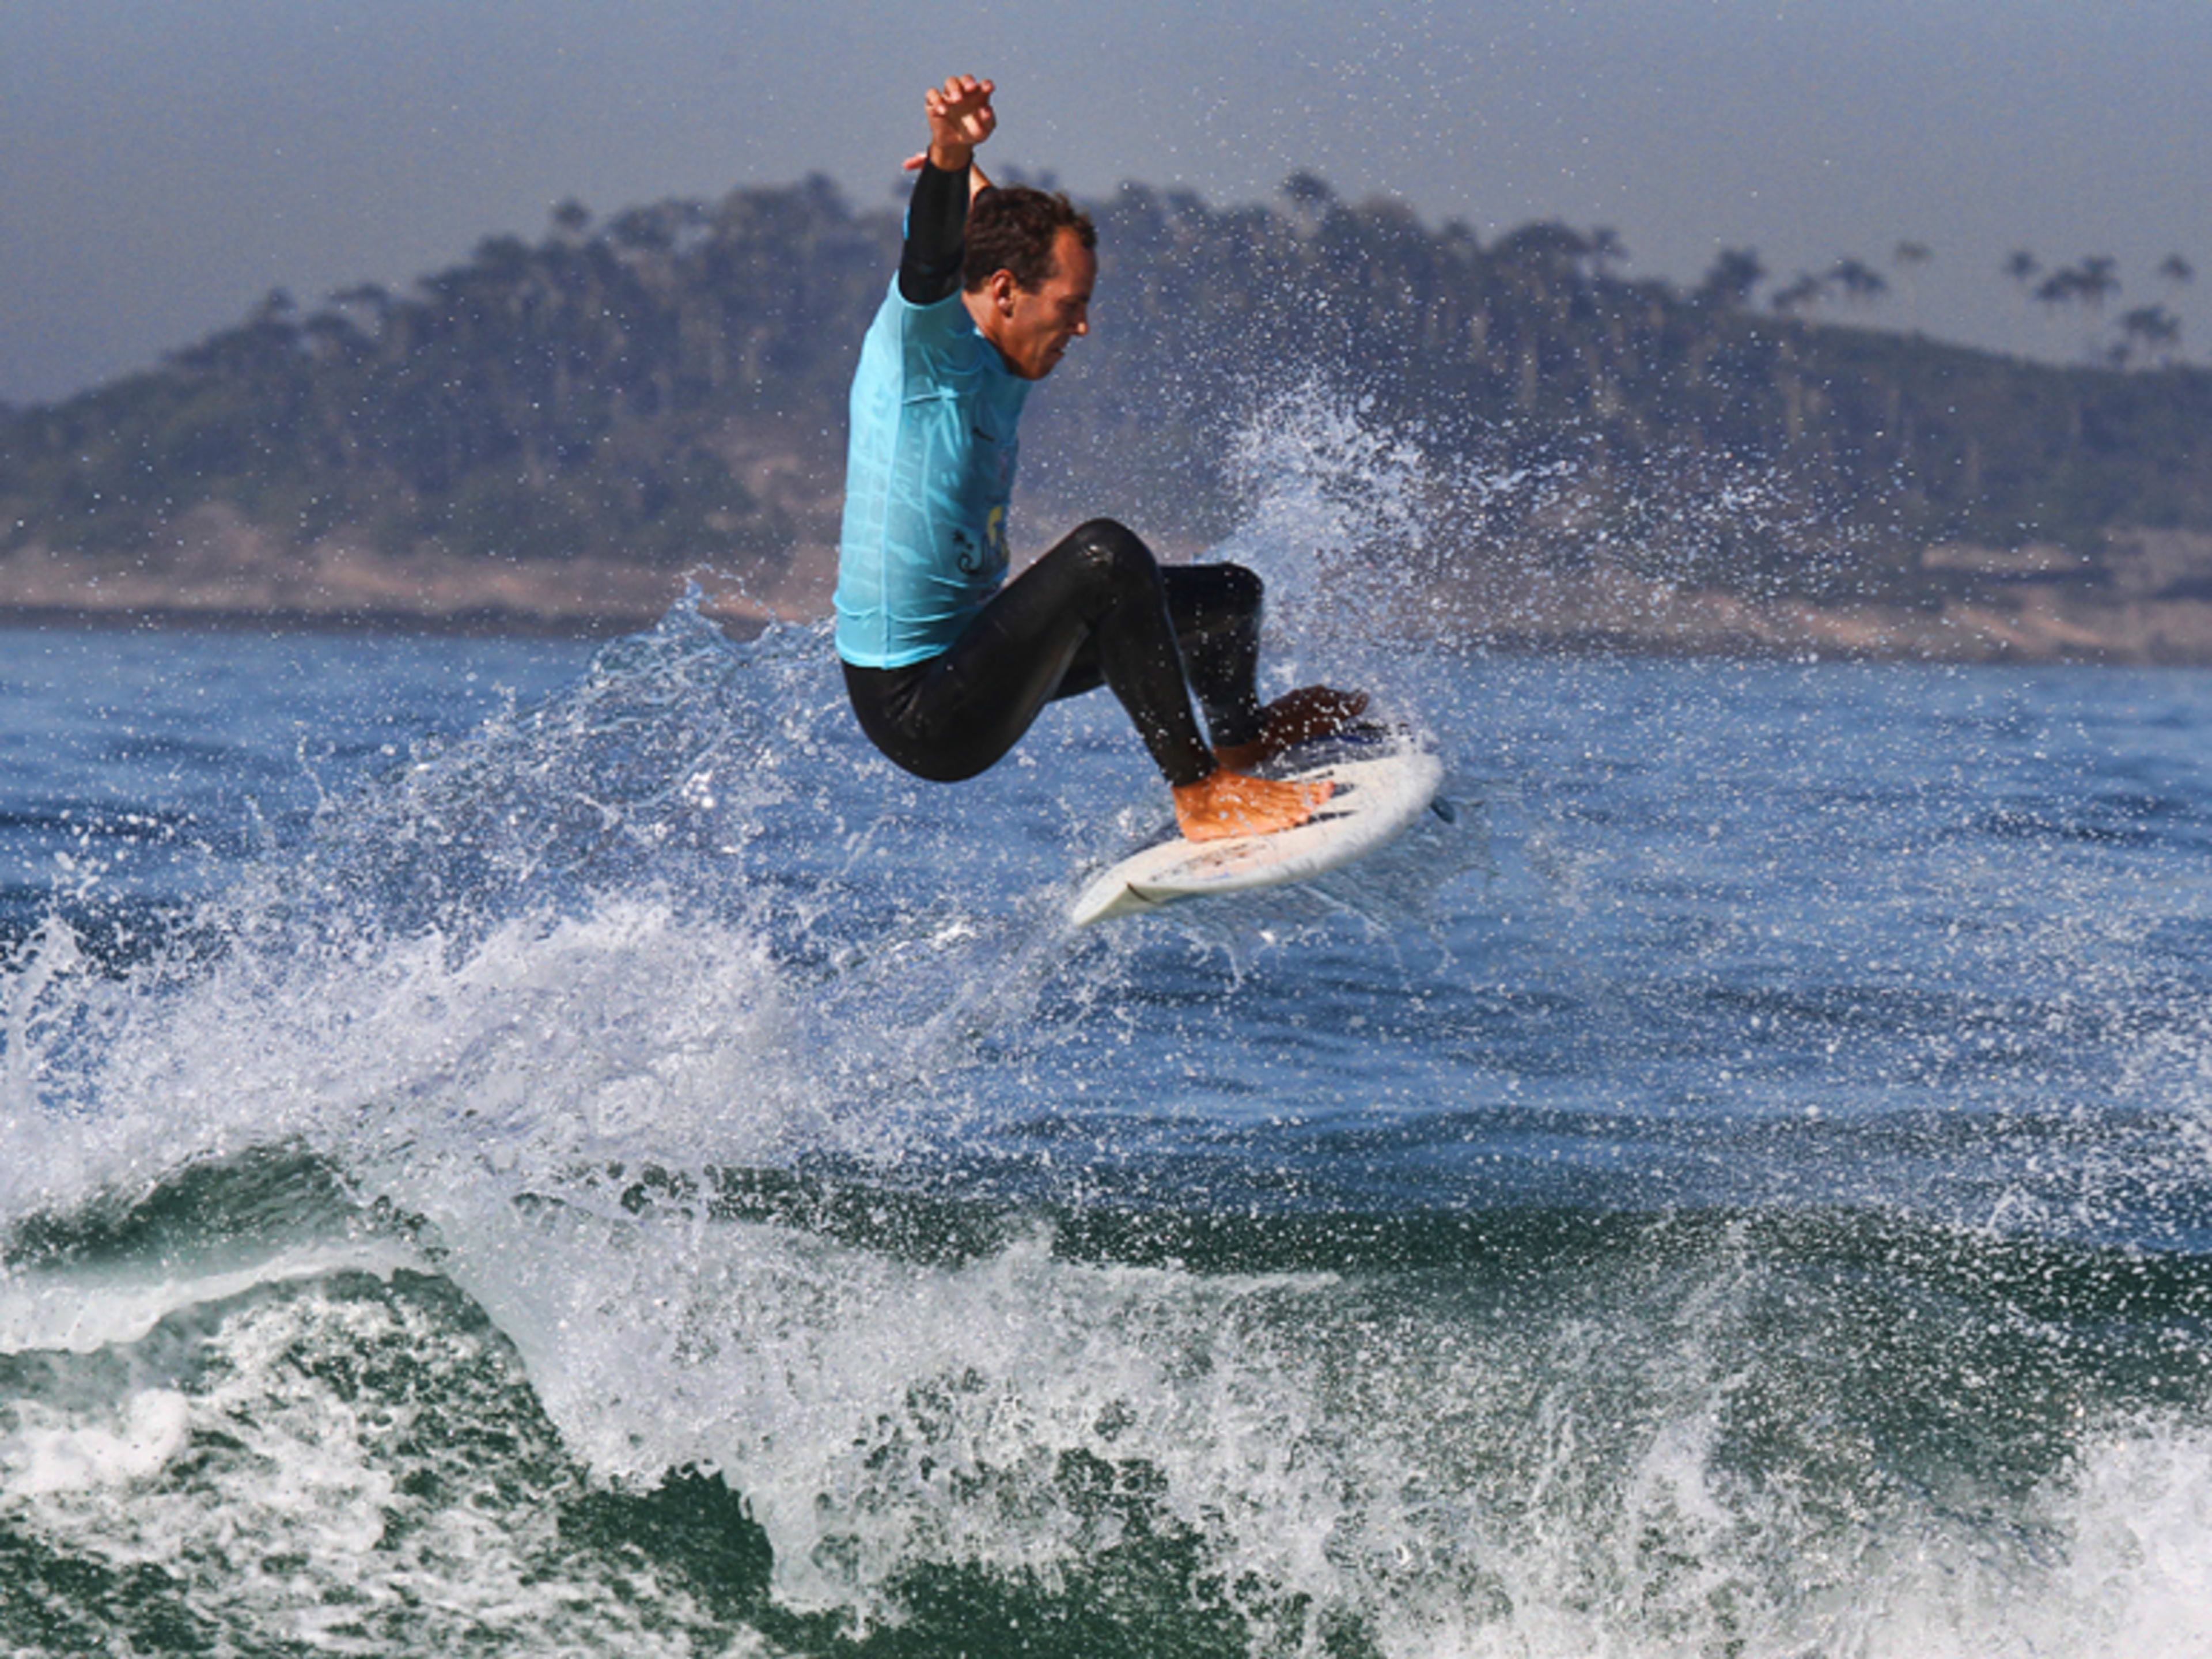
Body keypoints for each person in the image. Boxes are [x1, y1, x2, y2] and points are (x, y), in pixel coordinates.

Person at [834, 74, 1366, 842]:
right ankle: (1202, 796)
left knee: (1228, 598)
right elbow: (931, 256)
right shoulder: (925, 350)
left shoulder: (1009, 341)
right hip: (921, 708)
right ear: (1008, 292)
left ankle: (1242, 742)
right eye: (1071, 307)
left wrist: (980, 185)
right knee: (1105, 556)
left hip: (978, 652)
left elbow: (987, 237)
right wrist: (950, 154)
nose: (1082, 329)